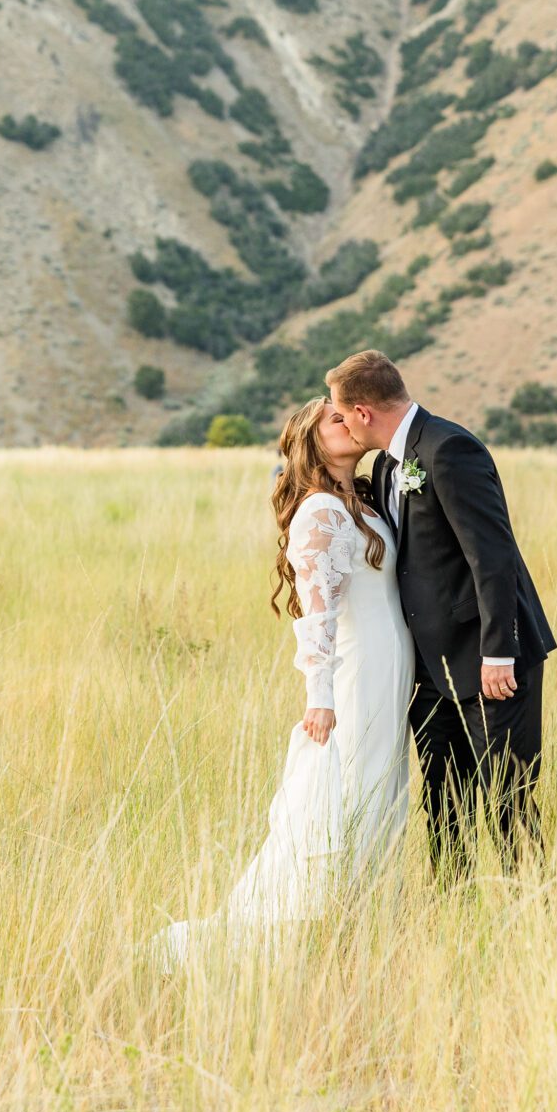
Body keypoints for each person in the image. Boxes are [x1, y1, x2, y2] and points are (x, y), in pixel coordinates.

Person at [153, 396, 412, 968]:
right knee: (346, 801)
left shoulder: (364, 502)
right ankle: (303, 934)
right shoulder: (318, 511)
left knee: (380, 799)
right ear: (310, 440)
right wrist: (319, 698)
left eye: (348, 413)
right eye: (333, 418)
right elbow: (314, 615)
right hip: (354, 677)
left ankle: (361, 935)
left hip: (389, 676)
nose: (346, 421)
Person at [326, 348, 556, 874]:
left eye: (341, 413)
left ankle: (536, 921)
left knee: (508, 802)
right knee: (444, 808)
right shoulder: (387, 465)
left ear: (363, 412)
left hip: (489, 661)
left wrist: (500, 652)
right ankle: (452, 912)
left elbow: (493, 556)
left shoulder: (450, 449)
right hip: (431, 671)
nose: (341, 424)